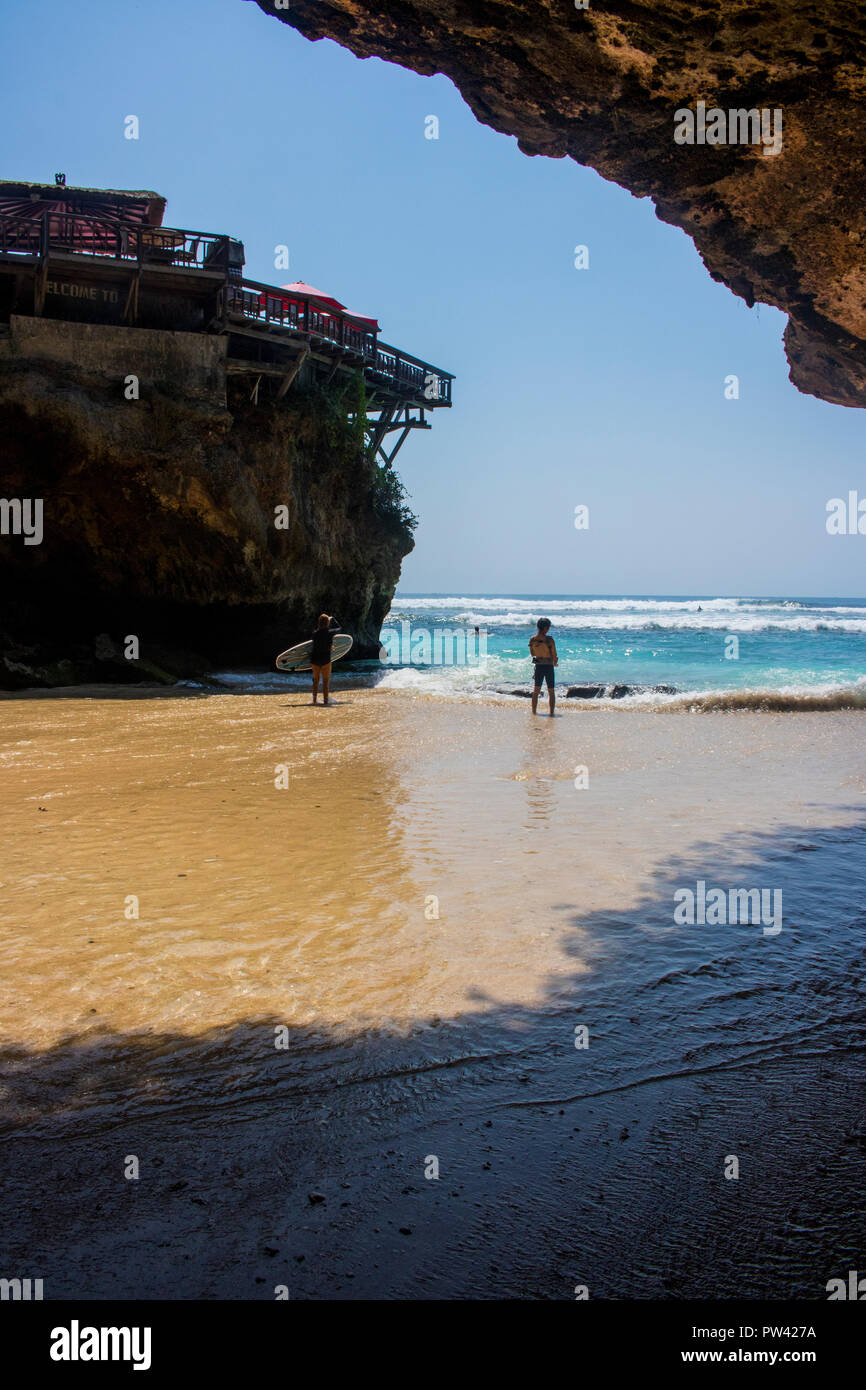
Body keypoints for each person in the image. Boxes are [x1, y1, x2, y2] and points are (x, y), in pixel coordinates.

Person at [310, 613, 341, 705]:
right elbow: (340, 628)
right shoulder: (330, 633)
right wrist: (333, 620)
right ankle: (325, 701)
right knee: (325, 682)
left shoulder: (314, 634)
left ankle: (314, 700)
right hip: (326, 660)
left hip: (315, 660)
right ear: (328, 622)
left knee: (315, 681)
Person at [529, 617, 558, 715]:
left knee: (536, 691)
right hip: (548, 666)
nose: (549, 629)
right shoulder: (549, 640)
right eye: (548, 627)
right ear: (545, 628)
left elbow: (532, 654)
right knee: (551, 691)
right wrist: (555, 662)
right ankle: (551, 713)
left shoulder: (533, 639)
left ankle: (534, 712)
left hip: (539, 666)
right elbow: (554, 654)